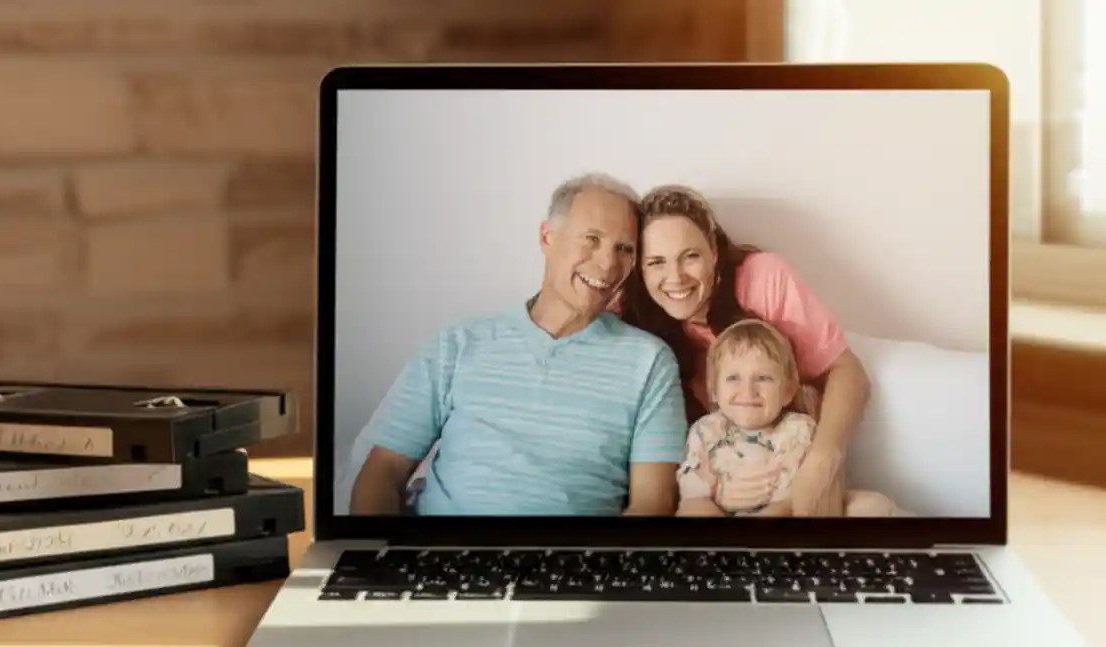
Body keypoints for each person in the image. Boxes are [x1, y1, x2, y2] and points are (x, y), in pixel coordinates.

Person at [348, 173, 687, 516]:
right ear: (547, 237)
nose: (608, 264)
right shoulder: (457, 346)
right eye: (591, 239)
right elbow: (383, 472)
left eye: (624, 249)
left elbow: (652, 504)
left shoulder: (649, 361)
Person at [618, 184, 895, 517]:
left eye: (690, 256)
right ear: (640, 268)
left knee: (876, 511)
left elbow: (847, 372)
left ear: (714, 252)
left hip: (788, 486)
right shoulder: (632, 318)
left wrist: (822, 461)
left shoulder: (761, 278)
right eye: (656, 262)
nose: (675, 277)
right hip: (710, 495)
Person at [678, 319, 816, 517]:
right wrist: (718, 493)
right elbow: (692, 487)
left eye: (763, 378)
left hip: (776, 512)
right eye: (733, 378)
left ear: (788, 391)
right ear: (714, 390)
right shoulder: (706, 430)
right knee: (691, 509)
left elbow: (796, 498)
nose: (748, 392)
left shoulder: (797, 430)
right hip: (717, 509)